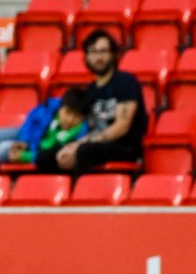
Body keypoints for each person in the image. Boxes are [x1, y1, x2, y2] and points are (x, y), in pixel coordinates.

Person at [55, 29, 149, 174]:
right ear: (86, 57)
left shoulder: (126, 82)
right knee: (49, 155)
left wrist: (82, 144)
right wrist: (70, 146)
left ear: (113, 54)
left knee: (84, 151)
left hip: (125, 148)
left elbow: (122, 126)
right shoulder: (90, 91)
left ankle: (87, 194)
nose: (99, 57)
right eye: (93, 52)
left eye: (103, 51)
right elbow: (84, 127)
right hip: (94, 145)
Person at [0, 88, 89, 173]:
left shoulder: (80, 133)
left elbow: (50, 154)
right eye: (67, 112)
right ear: (60, 108)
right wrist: (26, 141)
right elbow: (30, 123)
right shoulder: (49, 108)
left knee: (2, 149)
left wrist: (27, 155)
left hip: (36, 153)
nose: (70, 119)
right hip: (30, 140)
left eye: (76, 116)